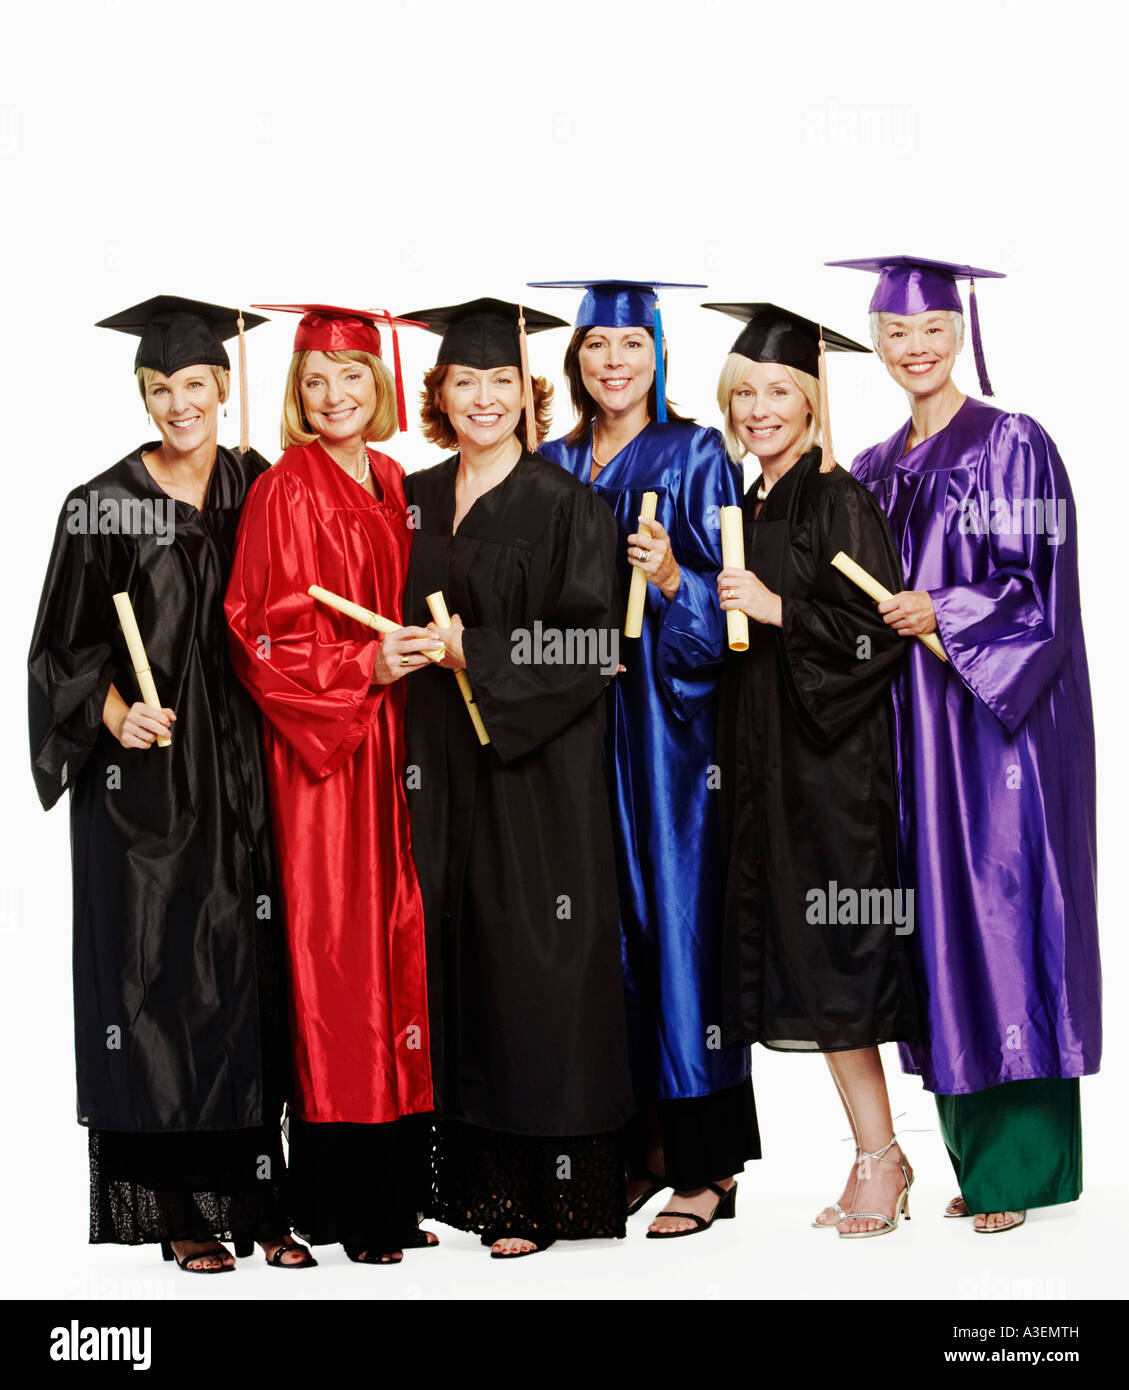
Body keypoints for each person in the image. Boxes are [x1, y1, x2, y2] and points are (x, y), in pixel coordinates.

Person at [28, 296, 312, 1272]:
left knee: (256, 977)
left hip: (249, 772)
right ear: (144, 395)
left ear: (225, 389)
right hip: (144, 792)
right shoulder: (100, 503)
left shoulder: (260, 482)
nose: (179, 403)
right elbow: (57, 654)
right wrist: (112, 713)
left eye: (195, 384)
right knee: (162, 986)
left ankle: (266, 1201)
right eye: (161, 389)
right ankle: (182, 1208)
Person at [829, 254, 1101, 1232]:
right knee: (941, 931)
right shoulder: (868, 465)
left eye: (931, 329)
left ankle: (1020, 1174)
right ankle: (975, 1161)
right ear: (876, 341)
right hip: (910, 735)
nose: (914, 347)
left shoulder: (1013, 442)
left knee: (1004, 917)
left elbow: (1042, 590)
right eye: (896, 332)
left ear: (960, 332)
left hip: (999, 732)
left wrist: (940, 608)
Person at [398, 295, 634, 1257]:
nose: (484, 397)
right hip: (427, 765)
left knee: (531, 967)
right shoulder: (407, 496)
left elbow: (593, 645)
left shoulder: (570, 503)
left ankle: (544, 1197)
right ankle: (457, 1188)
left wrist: (477, 655)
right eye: (466, 381)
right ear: (439, 393)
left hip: (532, 773)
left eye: (502, 381)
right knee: (445, 961)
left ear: (528, 394)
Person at [532, 279, 758, 1237]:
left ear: (658, 352)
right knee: (594, 941)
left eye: (630, 343)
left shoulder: (697, 451)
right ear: (574, 360)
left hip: (669, 738)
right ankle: (626, 1153)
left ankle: (705, 1168)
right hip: (569, 731)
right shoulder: (546, 461)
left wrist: (670, 576)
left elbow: (729, 617)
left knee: (677, 934)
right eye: (594, 346)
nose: (612, 362)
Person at [225, 304, 437, 1265]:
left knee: (398, 944)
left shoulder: (393, 480)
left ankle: (397, 1189)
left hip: (398, 746)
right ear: (296, 397)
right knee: (337, 955)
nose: (335, 395)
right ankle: (346, 1203)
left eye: (351, 377)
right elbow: (259, 633)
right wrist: (364, 673)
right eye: (315, 381)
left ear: (379, 386)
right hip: (324, 753)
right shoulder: (284, 489)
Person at [704, 301, 920, 1238]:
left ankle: (883, 1156)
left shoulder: (837, 496)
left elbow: (880, 640)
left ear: (811, 400)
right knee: (802, 956)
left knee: (838, 964)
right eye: (744, 392)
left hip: (833, 773)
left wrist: (776, 607)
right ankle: (875, 1153)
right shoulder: (752, 499)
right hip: (771, 766)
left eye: (778, 391)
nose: (759, 408)